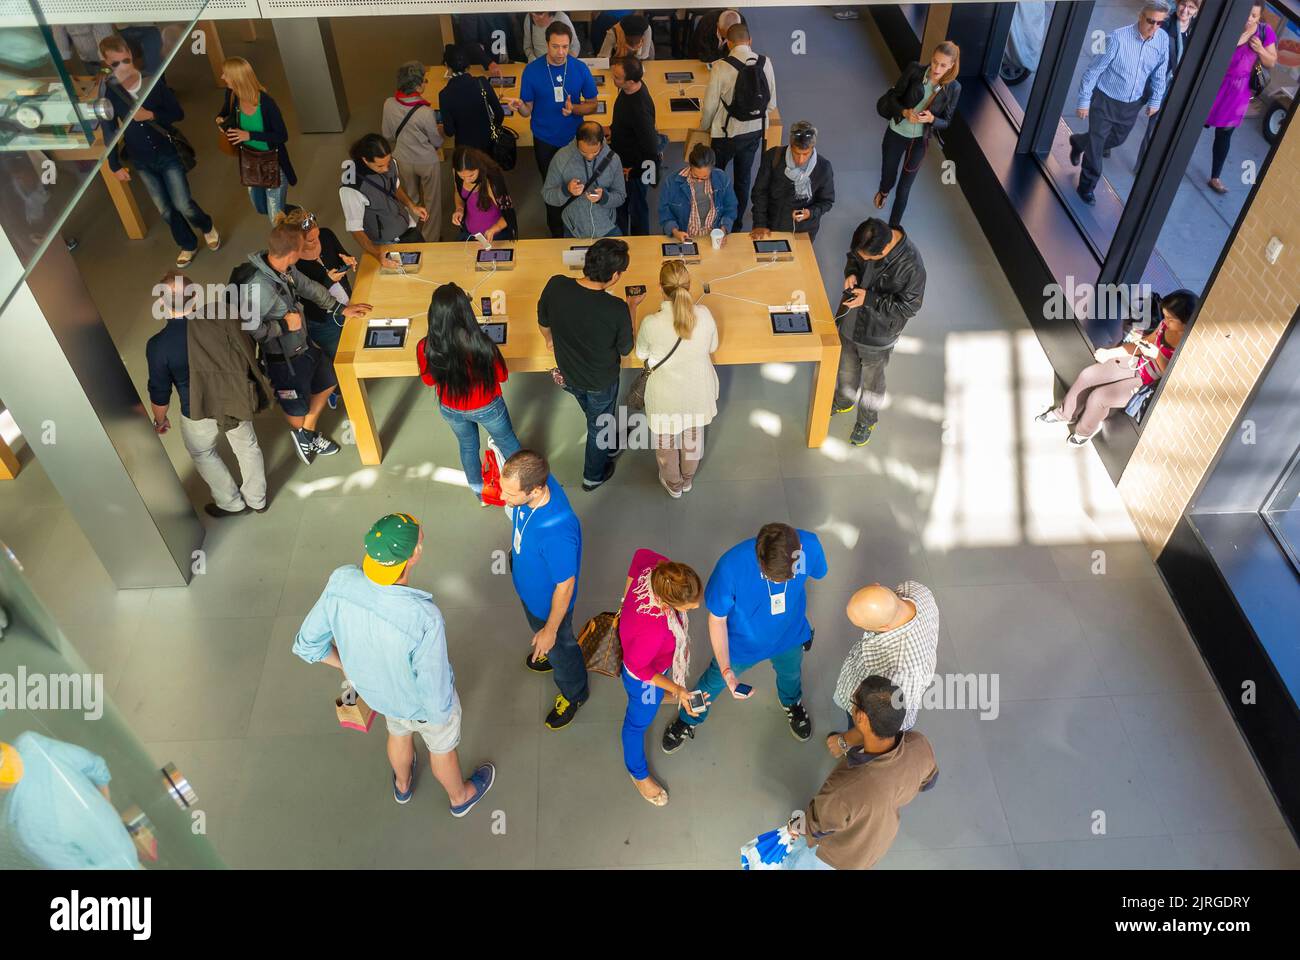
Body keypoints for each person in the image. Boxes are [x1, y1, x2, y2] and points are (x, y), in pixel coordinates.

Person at [293, 513, 496, 816]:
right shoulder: (423, 618)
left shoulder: (341, 581)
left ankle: (403, 786)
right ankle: (460, 797)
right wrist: (440, 718)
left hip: (380, 697)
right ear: (413, 556)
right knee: (442, 751)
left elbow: (307, 644)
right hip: (421, 705)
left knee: (398, 733)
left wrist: (345, 665)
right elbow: (434, 687)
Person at [661, 523, 828, 752]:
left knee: (791, 675)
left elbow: (819, 571)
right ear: (760, 560)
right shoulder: (730, 568)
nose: (785, 581)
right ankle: (688, 719)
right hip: (740, 647)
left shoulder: (809, 545)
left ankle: (791, 703)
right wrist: (727, 669)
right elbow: (717, 620)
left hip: (790, 635)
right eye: (777, 578)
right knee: (712, 683)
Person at [235, 222, 372, 465]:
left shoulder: (283, 269)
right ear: (292, 253)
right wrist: (285, 326)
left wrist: (341, 309)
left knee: (330, 378)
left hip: (304, 344)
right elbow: (251, 329)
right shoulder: (257, 288)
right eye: (301, 248)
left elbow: (309, 288)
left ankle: (304, 434)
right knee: (296, 408)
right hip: (284, 359)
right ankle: (305, 433)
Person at [781, 676, 938, 870]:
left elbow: (815, 825)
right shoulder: (919, 744)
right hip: (873, 847)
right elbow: (929, 782)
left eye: (853, 700)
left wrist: (793, 825)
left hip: (835, 858)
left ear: (861, 717)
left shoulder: (846, 787)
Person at [146, 270, 269, 517]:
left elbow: (160, 392)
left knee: (202, 452)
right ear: (195, 296)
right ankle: (257, 500)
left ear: (161, 302)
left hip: (197, 409)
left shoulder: (159, 346)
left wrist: (160, 420)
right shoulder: (223, 314)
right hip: (234, 398)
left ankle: (231, 503)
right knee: (247, 447)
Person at [97, 35, 220, 268]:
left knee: (183, 202)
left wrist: (151, 115)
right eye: (115, 64)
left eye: (125, 60)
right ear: (106, 63)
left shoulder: (153, 83)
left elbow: (177, 114)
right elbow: (109, 129)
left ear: (131, 57)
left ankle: (206, 226)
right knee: (165, 209)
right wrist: (113, 164)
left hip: (167, 153)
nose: (122, 67)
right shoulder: (110, 93)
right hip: (141, 159)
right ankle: (187, 244)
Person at [499, 450, 589, 729]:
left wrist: (549, 630)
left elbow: (565, 585)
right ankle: (550, 652)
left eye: (510, 495)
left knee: (562, 646)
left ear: (536, 490)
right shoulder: (538, 478)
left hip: (549, 607)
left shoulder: (558, 532)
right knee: (548, 640)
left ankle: (574, 693)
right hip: (530, 589)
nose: (504, 499)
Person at [1036, 289, 1197, 444]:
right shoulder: (1164, 326)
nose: (1165, 321)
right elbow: (1143, 344)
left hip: (1146, 383)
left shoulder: (1189, 345)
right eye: (1165, 316)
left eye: (1171, 319)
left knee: (1098, 398)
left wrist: (1157, 356)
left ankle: (1084, 432)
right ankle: (1065, 414)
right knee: (1088, 375)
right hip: (1137, 363)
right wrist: (1111, 353)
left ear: (1186, 322)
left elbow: (1174, 378)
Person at [539, 238, 637, 491]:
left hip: (569, 374)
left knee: (592, 412)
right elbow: (626, 348)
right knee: (598, 426)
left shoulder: (556, 284)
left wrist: (549, 339)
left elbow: (543, 318)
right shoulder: (615, 308)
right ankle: (593, 476)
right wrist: (632, 308)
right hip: (599, 381)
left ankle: (605, 437)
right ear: (615, 276)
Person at [416, 282, 522, 504]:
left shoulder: (426, 346)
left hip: (451, 408)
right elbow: (502, 376)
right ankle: (522, 487)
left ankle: (481, 495)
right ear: (465, 312)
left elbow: (428, 380)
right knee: (508, 443)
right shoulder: (482, 344)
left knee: (467, 447)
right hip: (488, 406)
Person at [617, 549, 704, 805]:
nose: (697, 605)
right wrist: (677, 690)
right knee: (636, 724)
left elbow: (640, 555)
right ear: (668, 604)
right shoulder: (653, 631)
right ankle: (638, 773)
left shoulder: (659, 571)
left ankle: (659, 696)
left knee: (655, 697)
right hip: (642, 677)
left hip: (651, 659)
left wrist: (626, 602)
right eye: (689, 606)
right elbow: (639, 669)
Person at [833, 218, 927, 447]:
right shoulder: (872, 237)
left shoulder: (912, 266)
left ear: (884, 250)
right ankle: (845, 399)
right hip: (850, 320)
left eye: (869, 259)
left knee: (872, 381)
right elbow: (854, 257)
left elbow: (909, 307)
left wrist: (871, 299)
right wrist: (852, 271)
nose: (863, 259)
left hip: (878, 334)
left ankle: (867, 420)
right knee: (846, 367)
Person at [1068, 2, 1171, 206]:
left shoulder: (1162, 40)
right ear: (1141, 16)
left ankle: (1079, 142)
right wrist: (1084, 101)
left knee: (1116, 139)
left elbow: (1160, 73)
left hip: (1131, 104)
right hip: (1105, 100)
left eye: (1159, 23)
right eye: (1151, 21)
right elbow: (1093, 70)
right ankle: (1086, 187)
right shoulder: (1117, 38)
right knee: (1097, 148)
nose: (1154, 27)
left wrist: (1156, 99)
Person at [507, 21, 599, 237]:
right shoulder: (531, 71)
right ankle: (556, 232)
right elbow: (527, 111)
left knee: (578, 185)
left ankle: (578, 227)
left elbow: (593, 103)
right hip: (545, 140)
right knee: (551, 188)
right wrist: (521, 107)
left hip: (574, 140)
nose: (561, 52)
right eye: (556, 46)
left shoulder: (579, 68)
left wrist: (574, 109)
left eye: (565, 47)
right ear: (546, 44)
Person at [635, 259, 719, 497]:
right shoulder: (704, 314)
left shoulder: (651, 323)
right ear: (690, 285)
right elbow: (713, 346)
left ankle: (673, 483)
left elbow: (641, 354)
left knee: (665, 441)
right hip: (698, 390)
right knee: (692, 435)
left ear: (660, 287)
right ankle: (688, 478)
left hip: (664, 396)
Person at [0, 733, 140, 869]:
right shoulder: (34, 745)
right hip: (124, 843)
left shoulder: (28, 827)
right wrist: (107, 808)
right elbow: (97, 765)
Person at [829, 582, 940, 747]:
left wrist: (844, 742)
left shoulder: (901, 675)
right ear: (878, 586)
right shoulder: (915, 589)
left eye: (863, 626)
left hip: (865, 710)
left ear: (884, 627)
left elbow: (877, 729)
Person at [699, 23, 778, 230]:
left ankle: (715, 221)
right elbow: (771, 104)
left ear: (728, 42)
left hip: (725, 134)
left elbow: (709, 106)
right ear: (750, 41)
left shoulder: (721, 66)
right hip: (754, 133)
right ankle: (736, 223)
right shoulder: (765, 62)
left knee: (716, 177)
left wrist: (705, 127)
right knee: (743, 179)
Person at [874, 42, 961, 227]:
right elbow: (892, 97)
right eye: (935, 62)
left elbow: (946, 121)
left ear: (952, 65)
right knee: (888, 175)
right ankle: (883, 190)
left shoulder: (954, 88)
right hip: (896, 132)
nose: (937, 68)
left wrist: (931, 119)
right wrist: (905, 112)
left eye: (943, 65)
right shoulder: (914, 70)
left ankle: (893, 228)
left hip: (920, 142)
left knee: (904, 188)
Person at [1205, 3, 1278, 195]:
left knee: (1225, 133)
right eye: (1247, 14)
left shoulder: (1265, 32)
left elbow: (1271, 61)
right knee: (1193, 122)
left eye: (1254, 15)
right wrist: (1242, 35)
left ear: (1260, 16)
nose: (1249, 18)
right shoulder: (1230, 23)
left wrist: (1260, 49)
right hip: (1214, 82)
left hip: (1238, 90)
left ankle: (1215, 177)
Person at [217, 57, 296, 223]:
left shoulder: (266, 104)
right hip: (250, 161)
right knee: (261, 207)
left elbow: (282, 136)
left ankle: (290, 228)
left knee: (275, 219)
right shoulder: (232, 95)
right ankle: (295, 214)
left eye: (226, 74)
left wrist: (250, 135)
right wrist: (219, 119)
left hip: (272, 163)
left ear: (237, 78)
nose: (222, 77)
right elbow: (224, 112)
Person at [275, 208, 356, 369]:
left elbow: (340, 253)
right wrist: (328, 281)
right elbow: (305, 298)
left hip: (347, 303)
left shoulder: (326, 235)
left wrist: (348, 259)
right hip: (323, 321)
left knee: (357, 346)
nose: (317, 241)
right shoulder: (292, 263)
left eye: (317, 236)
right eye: (311, 240)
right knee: (341, 363)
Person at [340, 133, 429, 263]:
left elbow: (395, 187)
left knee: (425, 263)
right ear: (365, 160)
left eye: (388, 162)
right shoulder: (352, 187)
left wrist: (412, 206)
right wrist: (377, 254)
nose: (386, 168)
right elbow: (355, 229)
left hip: (408, 228)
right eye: (380, 166)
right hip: (385, 242)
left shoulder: (391, 163)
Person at [382, 61, 444, 241]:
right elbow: (436, 141)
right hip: (427, 161)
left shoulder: (389, 104)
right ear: (417, 86)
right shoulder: (425, 111)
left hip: (402, 159)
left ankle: (414, 235)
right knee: (432, 203)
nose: (426, 83)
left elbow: (387, 134)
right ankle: (431, 238)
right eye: (424, 80)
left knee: (411, 201)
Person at [750, 120, 835, 243]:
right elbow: (759, 193)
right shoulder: (773, 157)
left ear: (812, 148)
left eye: (805, 154)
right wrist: (760, 223)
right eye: (796, 153)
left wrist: (810, 213)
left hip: (803, 231)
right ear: (790, 144)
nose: (800, 160)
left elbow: (827, 201)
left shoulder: (823, 168)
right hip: (770, 226)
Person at [541, 121, 626, 238]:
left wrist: (604, 198)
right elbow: (547, 195)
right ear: (576, 142)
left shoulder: (613, 159)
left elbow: (621, 196)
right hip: (574, 231)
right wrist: (566, 190)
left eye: (595, 152)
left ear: (602, 143)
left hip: (608, 228)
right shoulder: (561, 158)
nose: (589, 157)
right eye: (583, 152)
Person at [1138, 0, 1201, 156]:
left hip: (1171, 84)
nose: (1185, 10)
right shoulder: (1165, 23)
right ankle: (1110, 141)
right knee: (1127, 113)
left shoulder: (1197, 30)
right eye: (1183, 4)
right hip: (1150, 77)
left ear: (1196, 11)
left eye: (1191, 7)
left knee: (1154, 128)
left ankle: (1142, 165)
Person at [609, 56, 659, 236]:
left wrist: (635, 172)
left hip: (633, 169)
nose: (612, 79)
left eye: (616, 77)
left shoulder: (639, 110)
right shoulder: (630, 90)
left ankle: (639, 244)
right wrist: (614, 129)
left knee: (636, 209)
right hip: (625, 161)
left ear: (630, 81)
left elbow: (652, 149)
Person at [658, 143, 738, 244]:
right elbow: (664, 212)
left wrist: (723, 230)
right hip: (685, 236)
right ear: (690, 166)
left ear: (712, 168)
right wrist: (675, 232)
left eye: (705, 177)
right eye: (695, 176)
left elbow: (730, 207)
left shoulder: (722, 179)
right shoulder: (672, 182)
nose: (699, 180)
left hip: (711, 237)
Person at [439, 44, 505, 155]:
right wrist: (492, 127)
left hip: (464, 148)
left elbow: (449, 131)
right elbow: (499, 114)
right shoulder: (482, 82)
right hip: (488, 143)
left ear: (447, 65)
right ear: (468, 64)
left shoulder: (444, 95)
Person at [451, 146, 516, 242]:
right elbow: (458, 193)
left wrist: (495, 228)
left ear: (479, 167)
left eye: (471, 175)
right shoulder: (456, 172)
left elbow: (509, 215)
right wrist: (459, 208)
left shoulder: (492, 182)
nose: (466, 180)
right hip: (468, 233)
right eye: (462, 176)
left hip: (495, 237)